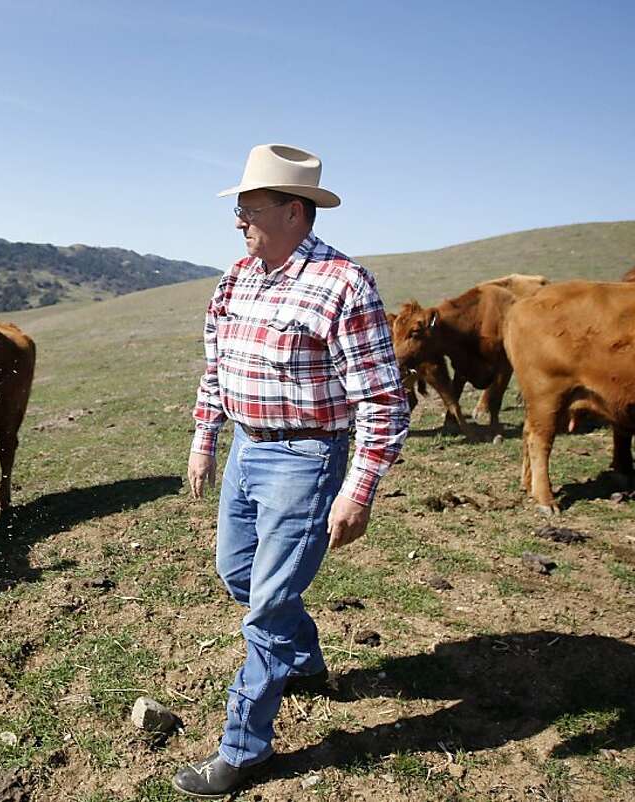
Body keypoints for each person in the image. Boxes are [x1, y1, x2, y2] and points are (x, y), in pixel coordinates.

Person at [173, 144, 409, 798]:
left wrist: (358, 490)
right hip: (248, 449)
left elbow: (383, 400)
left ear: (294, 211)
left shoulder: (343, 285)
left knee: (267, 609)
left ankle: (244, 749)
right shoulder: (237, 276)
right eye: (240, 207)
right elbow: (217, 366)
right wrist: (205, 440)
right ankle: (302, 662)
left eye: (251, 207)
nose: (238, 219)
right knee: (237, 573)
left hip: (306, 460)